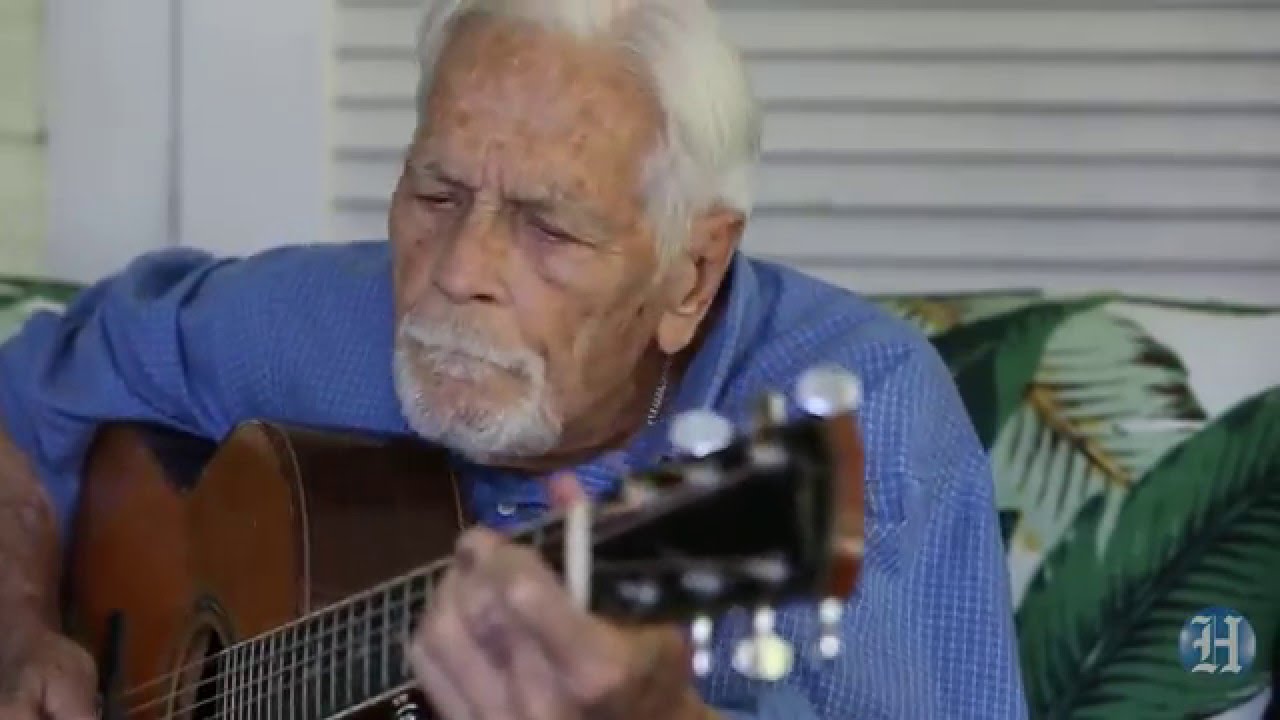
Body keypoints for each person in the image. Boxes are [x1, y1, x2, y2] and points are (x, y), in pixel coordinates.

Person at [0, 0, 1028, 718]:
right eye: (435, 196)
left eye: (547, 227)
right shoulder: (319, 322)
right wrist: (24, 626)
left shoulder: (862, 418)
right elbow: (24, 396)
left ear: (691, 274)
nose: (457, 270)